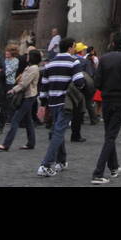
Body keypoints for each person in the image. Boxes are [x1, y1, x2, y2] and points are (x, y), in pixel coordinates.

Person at [36, 41, 85, 177]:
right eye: (74, 47)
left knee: (58, 130)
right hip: (66, 102)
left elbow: (44, 85)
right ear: (70, 47)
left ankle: (61, 161)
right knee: (58, 132)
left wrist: (43, 104)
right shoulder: (73, 62)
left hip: (53, 102)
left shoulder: (50, 63)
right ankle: (45, 165)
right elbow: (80, 82)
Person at [90, 32, 121, 184]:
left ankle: (114, 166)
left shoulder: (104, 58)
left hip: (106, 99)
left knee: (109, 133)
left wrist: (106, 90)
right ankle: (98, 173)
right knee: (111, 136)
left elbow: (97, 82)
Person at [0, 48, 40, 152]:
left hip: (28, 96)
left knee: (15, 120)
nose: (27, 56)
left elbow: (24, 83)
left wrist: (13, 90)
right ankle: (31, 142)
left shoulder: (33, 69)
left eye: (29, 55)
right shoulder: (30, 67)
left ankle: (6, 144)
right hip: (27, 96)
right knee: (28, 120)